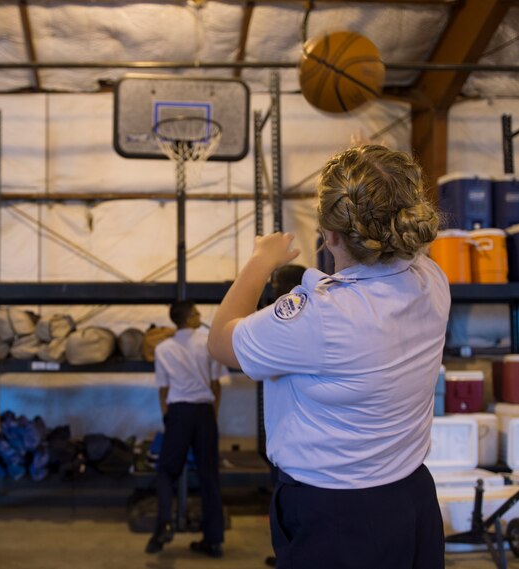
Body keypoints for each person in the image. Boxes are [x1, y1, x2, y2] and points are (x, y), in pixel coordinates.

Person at [208, 145, 450, 569]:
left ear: (331, 235)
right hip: (412, 497)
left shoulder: (323, 315)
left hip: (339, 516)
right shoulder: (431, 279)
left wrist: (260, 262)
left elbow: (220, 343)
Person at [146, 300, 227, 558]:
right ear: (190, 317)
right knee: (209, 476)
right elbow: (216, 385)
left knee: (166, 472)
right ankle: (213, 541)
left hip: (178, 412)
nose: (200, 315)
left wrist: (167, 417)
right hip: (203, 413)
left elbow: (163, 389)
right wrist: (212, 415)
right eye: (197, 312)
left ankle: (165, 523)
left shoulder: (163, 349)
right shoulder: (208, 342)